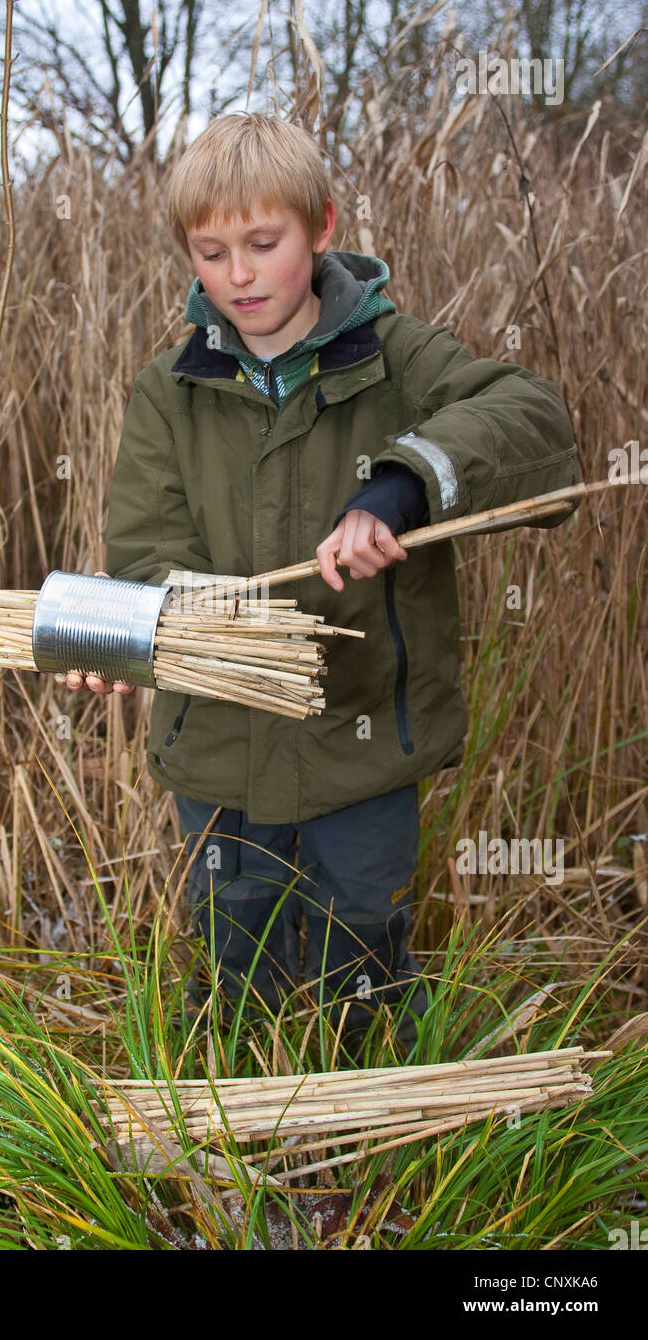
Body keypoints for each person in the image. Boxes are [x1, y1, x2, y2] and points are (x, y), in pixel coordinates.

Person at [58, 112, 579, 1051]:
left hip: (365, 744)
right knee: (234, 972)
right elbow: (144, 560)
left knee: (365, 970)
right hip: (217, 749)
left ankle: (376, 1145)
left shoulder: (398, 358)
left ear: (323, 228)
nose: (240, 275)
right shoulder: (166, 392)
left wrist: (401, 485)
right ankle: (235, 1154)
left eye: (264, 244)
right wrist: (123, 637)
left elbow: (533, 419)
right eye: (212, 253)